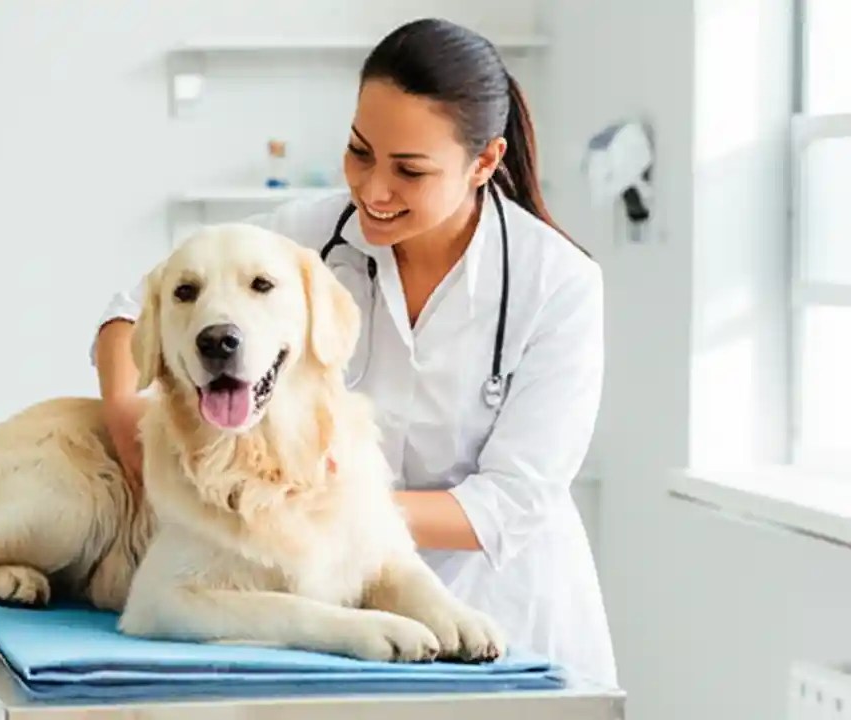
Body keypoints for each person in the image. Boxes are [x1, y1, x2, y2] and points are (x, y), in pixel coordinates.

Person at [90, 17, 617, 688]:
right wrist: (124, 417)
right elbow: (133, 307)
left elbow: (511, 502)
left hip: (493, 612)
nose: (371, 190)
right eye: (360, 152)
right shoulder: (311, 236)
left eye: (409, 170)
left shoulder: (559, 285)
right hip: (339, 615)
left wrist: (308, 503)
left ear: (484, 162)